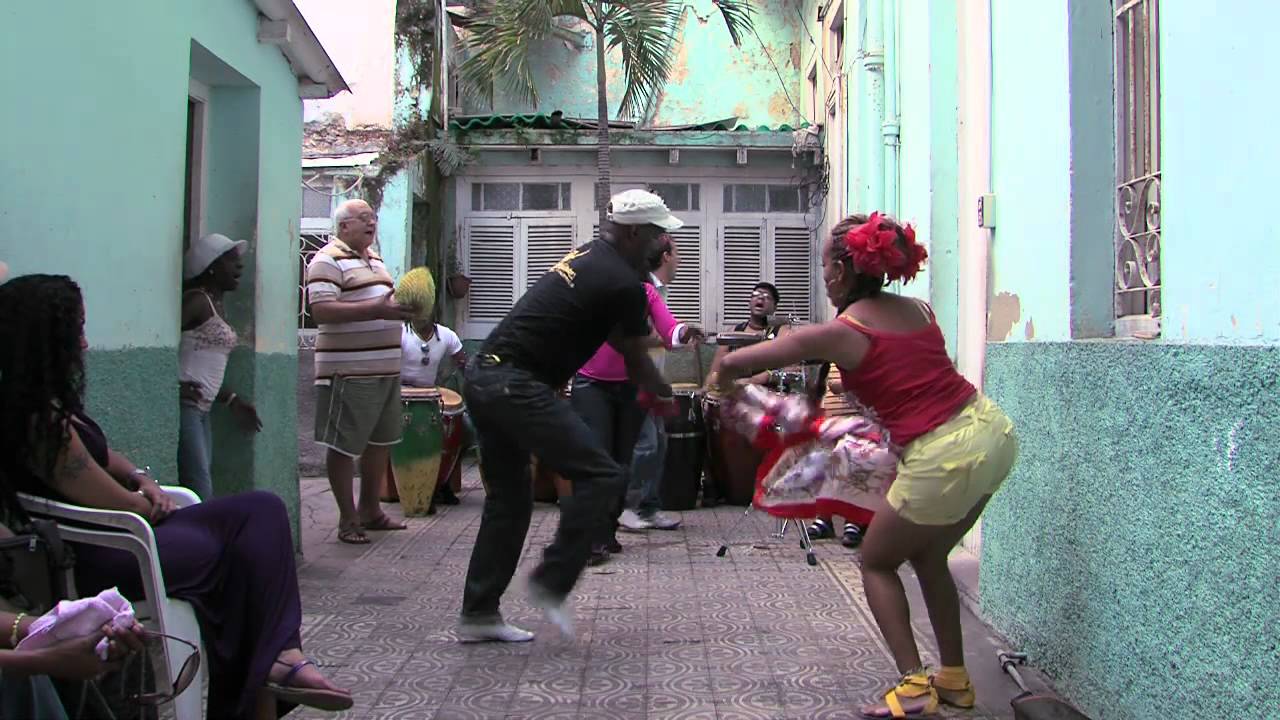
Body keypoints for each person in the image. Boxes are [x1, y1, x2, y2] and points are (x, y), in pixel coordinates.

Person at [0, 274, 353, 719]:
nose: (85, 343)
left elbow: (108, 458)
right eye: (78, 330)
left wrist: (144, 479)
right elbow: (119, 504)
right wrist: (147, 501)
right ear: (44, 339)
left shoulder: (50, 406)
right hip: (108, 556)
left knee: (262, 511)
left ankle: (280, 661)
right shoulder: (39, 424)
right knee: (245, 562)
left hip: (129, 534)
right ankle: (276, 669)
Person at [716, 213, 1018, 719]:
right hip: (992, 432)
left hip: (942, 452)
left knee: (877, 561)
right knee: (930, 557)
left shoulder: (845, 331)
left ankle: (914, 686)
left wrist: (724, 370)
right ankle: (954, 679)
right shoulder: (920, 310)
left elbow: (757, 356)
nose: (823, 277)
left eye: (824, 267)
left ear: (841, 270)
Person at [458, 189, 676, 644]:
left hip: (485, 376)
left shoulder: (590, 255)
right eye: (658, 234)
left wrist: (653, 385)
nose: (663, 244)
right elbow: (634, 356)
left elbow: (616, 338)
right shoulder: (621, 281)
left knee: (510, 501)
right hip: (515, 383)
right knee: (602, 474)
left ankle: (479, 614)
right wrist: (662, 392)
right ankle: (552, 580)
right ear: (635, 233)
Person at [572, 233, 700, 561]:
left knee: (622, 462)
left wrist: (685, 332)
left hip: (630, 386)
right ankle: (591, 537)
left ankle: (607, 529)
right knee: (599, 459)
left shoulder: (647, 293)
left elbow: (670, 328)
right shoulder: (597, 289)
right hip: (590, 384)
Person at [306, 199, 416, 544]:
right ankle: (348, 519)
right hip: (348, 371)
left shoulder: (376, 259)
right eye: (363, 218)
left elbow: (381, 304)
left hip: (385, 368)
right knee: (344, 445)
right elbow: (321, 311)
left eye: (373, 218)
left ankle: (371, 510)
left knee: (381, 442)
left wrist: (401, 309)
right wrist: (377, 309)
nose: (371, 223)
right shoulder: (326, 260)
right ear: (343, 226)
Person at [619, 233, 698, 533]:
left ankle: (648, 508)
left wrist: (679, 336)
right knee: (646, 444)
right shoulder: (642, 288)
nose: (680, 260)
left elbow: (664, 332)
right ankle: (625, 507)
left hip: (651, 380)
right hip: (635, 379)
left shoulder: (658, 291)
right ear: (666, 256)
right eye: (677, 253)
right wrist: (670, 337)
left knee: (659, 444)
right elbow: (637, 335)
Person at [177, 233, 263, 500]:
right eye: (231, 260)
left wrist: (231, 399)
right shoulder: (196, 302)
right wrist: (173, 385)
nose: (239, 266)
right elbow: (168, 346)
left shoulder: (215, 305)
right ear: (211, 266)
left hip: (203, 409)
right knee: (199, 485)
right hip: (187, 406)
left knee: (201, 483)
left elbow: (207, 363)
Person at [383, 312, 471, 507]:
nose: (421, 315)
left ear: (434, 312)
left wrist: (477, 380)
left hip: (430, 397)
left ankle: (442, 481)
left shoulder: (447, 335)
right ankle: (410, 483)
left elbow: (464, 364)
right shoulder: (400, 333)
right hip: (401, 397)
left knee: (466, 431)